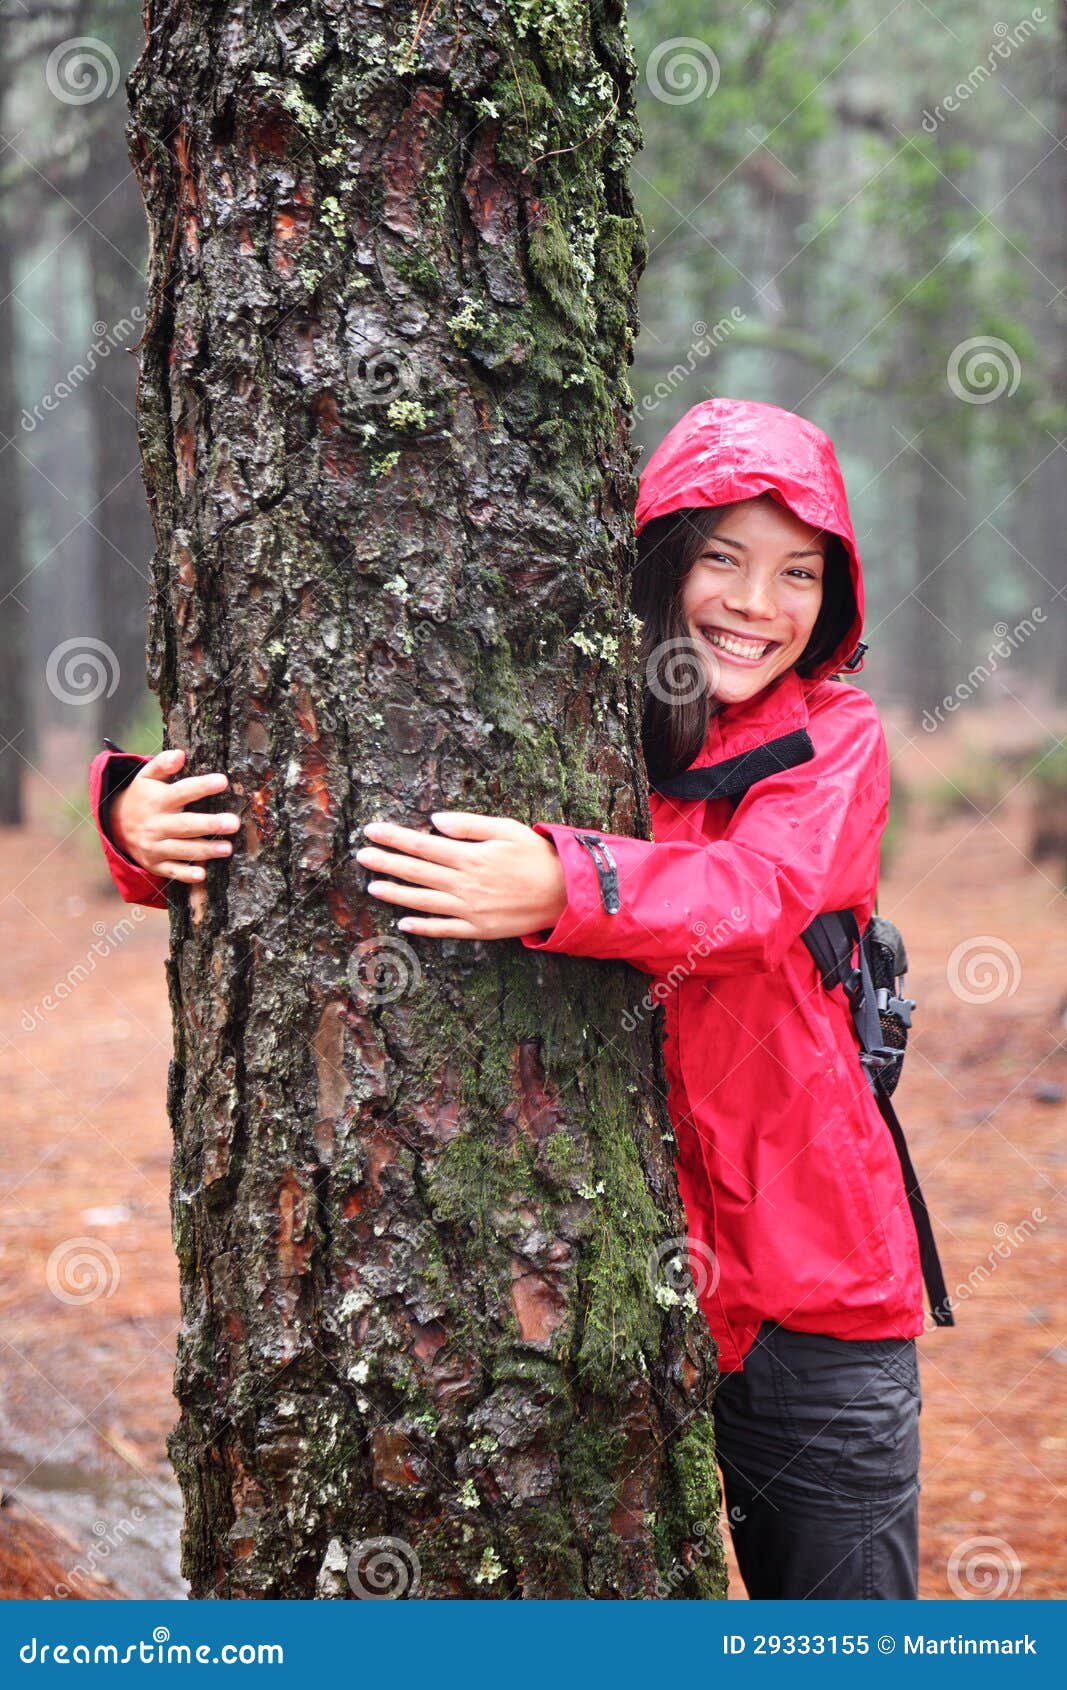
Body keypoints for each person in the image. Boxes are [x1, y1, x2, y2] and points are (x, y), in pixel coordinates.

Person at [88, 396, 932, 1600]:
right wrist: (133, 816)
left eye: (798, 572)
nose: (758, 603)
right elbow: (299, 833)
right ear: (657, 561)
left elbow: (759, 891)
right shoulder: (577, 711)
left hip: (812, 1294)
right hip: (604, 1298)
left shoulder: (831, 737)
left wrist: (564, 876)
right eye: (722, 559)